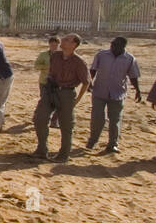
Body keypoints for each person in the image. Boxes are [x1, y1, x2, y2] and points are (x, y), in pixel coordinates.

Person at [33, 33, 90, 161]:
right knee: (39, 118)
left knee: (66, 125)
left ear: (74, 44)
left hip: (67, 93)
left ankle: (63, 154)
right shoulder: (56, 56)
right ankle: (42, 149)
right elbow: (51, 72)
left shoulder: (79, 62)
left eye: (67, 40)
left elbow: (86, 82)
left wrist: (76, 100)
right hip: (50, 90)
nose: (62, 40)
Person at [86, 36, 142, 154]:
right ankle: (92, 141)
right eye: (112, 44)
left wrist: (138, 90)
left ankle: (112, 144)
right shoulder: (101, 55)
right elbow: (93, 70)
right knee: (97, 118)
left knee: (115, 120)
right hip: (99, 91)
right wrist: (89, 83)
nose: (113, 47)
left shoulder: (129, 59)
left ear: (123, 46)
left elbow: (133, 76)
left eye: (116, 45)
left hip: (118, 93)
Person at [34, 34, 61, 128]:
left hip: (58, 83)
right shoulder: (43, 55)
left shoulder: (62, 55)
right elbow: (36, 66)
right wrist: (46, 67)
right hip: (44, 81)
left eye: (56, 45)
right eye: (52, 44)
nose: (54, 47)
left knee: (59, 102)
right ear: (49, 45)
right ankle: (37, 116)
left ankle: (54, 121)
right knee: (44, 101)